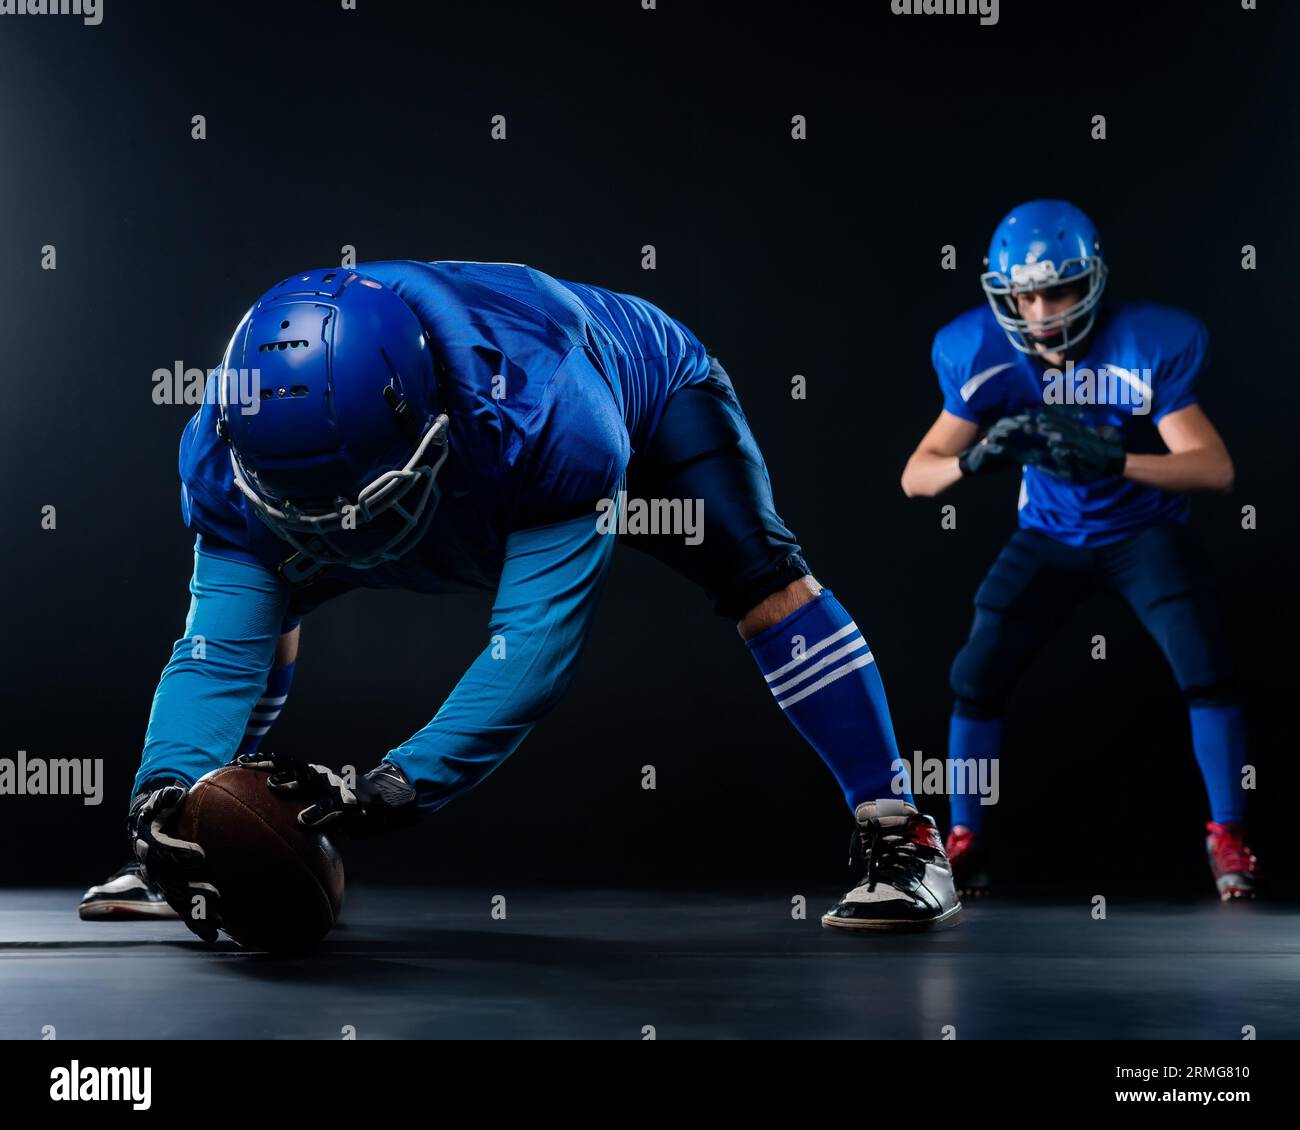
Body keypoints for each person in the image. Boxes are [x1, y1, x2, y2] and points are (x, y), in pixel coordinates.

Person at [81, 261, 961, 935]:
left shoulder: (550, 415)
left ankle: (901, 829)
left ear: (425, 430)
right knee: (261, 608)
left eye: (351, 507)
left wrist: (384, 789)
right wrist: (163, 797)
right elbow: (217, 649)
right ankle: (194, 833)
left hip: (641, 400)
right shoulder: (226, 441)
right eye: (297, 511)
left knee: (763, 578)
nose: (330, 533)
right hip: (442, 460)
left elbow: (529, 652)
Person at [901, 200, 1257, 901]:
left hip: (1140, 532)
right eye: (1025, 294)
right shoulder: (980, 350)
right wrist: (974, 462)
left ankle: (1230, 834)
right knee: (975, 675)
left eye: (1056, 290)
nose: (1040, 312)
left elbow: (1216, 469)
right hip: (1050, 536)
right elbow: (917, 475)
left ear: (1090, 281)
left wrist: (1112, 461)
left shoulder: (1143, 340)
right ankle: (965, 838)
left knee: (1207, 669)